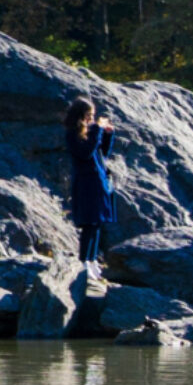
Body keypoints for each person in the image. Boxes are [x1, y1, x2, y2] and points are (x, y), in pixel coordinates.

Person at [64, 96, 117, 270]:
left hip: (97, 182)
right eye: (89, 115)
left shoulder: (90, 132)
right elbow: (85, 153)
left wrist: (107, 135)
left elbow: (102, 153)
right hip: (86, 184)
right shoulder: (72, 134)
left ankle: (92, 260)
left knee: (97, 223)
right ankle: (84, 262)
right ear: (80, 115)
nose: (92, 119)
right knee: (89, 223)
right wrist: (97, 131)